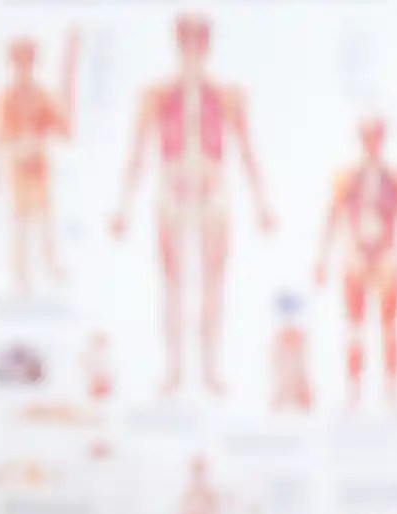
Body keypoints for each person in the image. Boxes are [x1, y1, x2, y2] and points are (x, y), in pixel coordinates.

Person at [110, 12, 274, 397]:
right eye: (186, 44)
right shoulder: (156, 95)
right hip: (172, 189)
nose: (192, 52)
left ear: (207, 47)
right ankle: (175, 369)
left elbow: (247, 152)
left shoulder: (227, 95)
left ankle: (211, 369)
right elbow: (137, 152)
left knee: (213, 283)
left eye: (198, 44)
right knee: (173, 283)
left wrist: (261, 204)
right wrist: (124, 207)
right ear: (177, 45)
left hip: (213, 189)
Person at [315, 116, 397, 412]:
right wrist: (323, 259)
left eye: (376, 136)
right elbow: (332, 218)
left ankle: (392, 389)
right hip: (356, 255)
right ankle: (354, 389)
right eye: (367, 136)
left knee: (389, 325)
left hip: (386, 256)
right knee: (355, 326)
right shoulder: (346, 179)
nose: (372, 142)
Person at [0, 30, 80, 295]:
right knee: (21, 221)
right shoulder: (6, 98)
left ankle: (51, 265)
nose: (24, 68)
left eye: (28, 61)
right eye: (19, 62)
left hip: (40, 166)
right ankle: (21, 273)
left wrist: (70, 67)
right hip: (18, 167)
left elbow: (62, 127)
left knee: (46, 218)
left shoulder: (43, 95)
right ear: (13, 64)